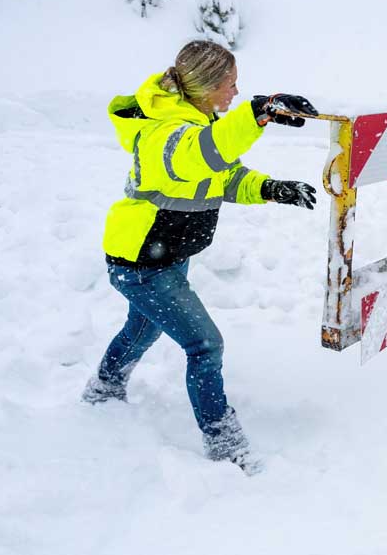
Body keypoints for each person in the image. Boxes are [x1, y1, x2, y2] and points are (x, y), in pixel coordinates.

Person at [82, 40, 317, 474]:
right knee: (205, 345)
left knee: (142, 328)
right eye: (229, 85)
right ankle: (225, 443)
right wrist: (258, 112)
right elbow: (202, 155)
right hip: (143, 264)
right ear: (206, 86)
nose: (234, 93)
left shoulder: (193, 123)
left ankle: (103, 390)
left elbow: (221, 175)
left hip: (162, 255)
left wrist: (273, 189)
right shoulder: (167, 133)